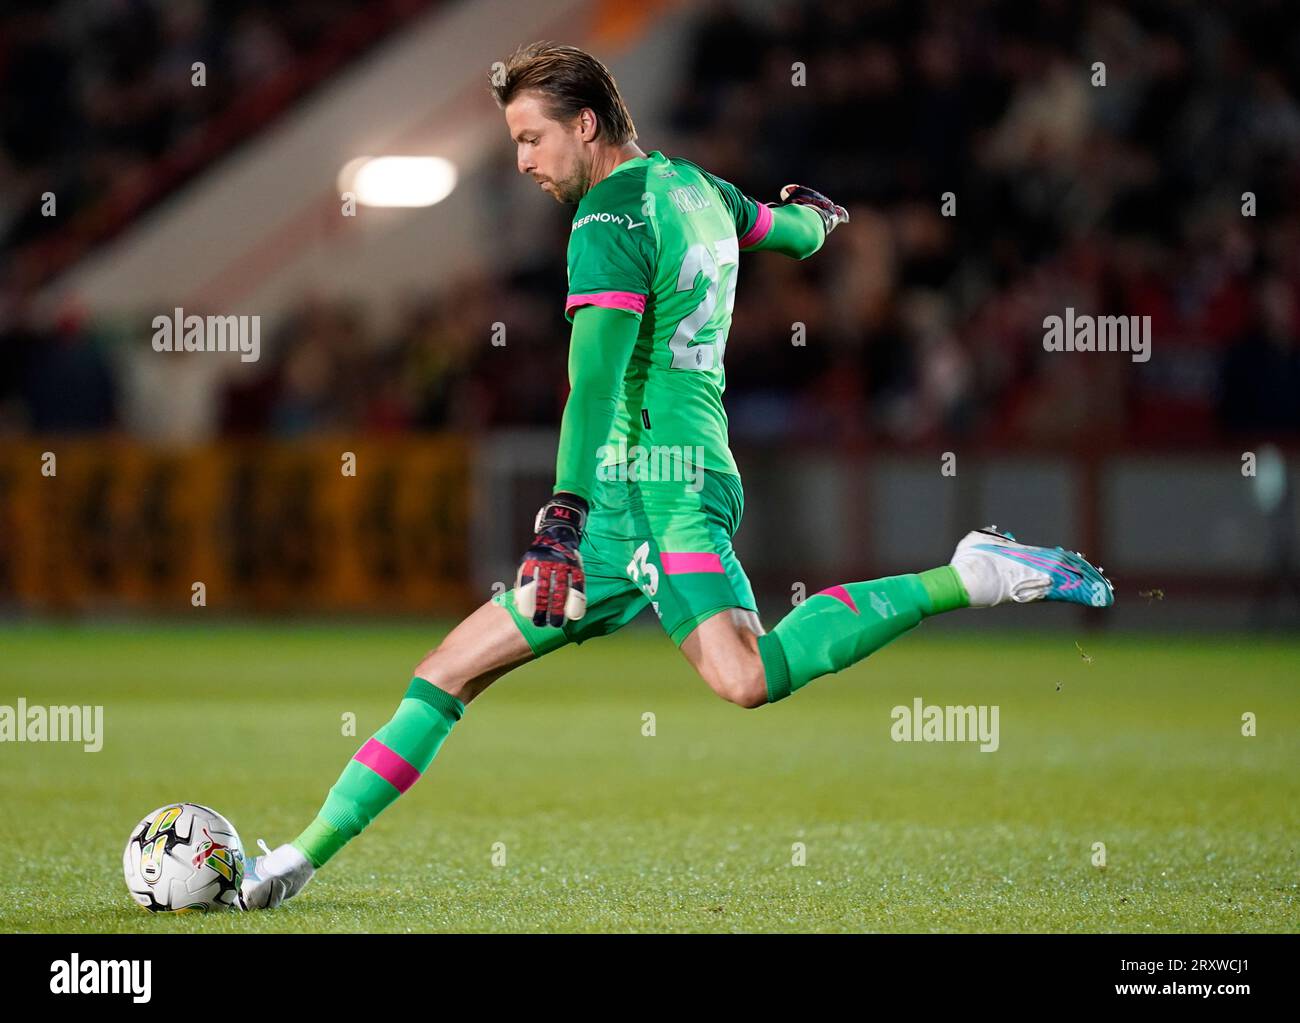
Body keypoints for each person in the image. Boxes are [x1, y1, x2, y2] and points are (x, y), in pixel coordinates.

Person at [240, 42, 1113, 910]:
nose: (523, 162)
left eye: (531, 139)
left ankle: (969, 574)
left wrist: (559, 520)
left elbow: (590, 382)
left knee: (743, 677)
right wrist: (820, 216)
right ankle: (296, 859)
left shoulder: (609, 221)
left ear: (585, 125)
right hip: (662, 480)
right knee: (447, 671)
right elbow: (794, 231)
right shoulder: (697, 187)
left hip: (653, 486)